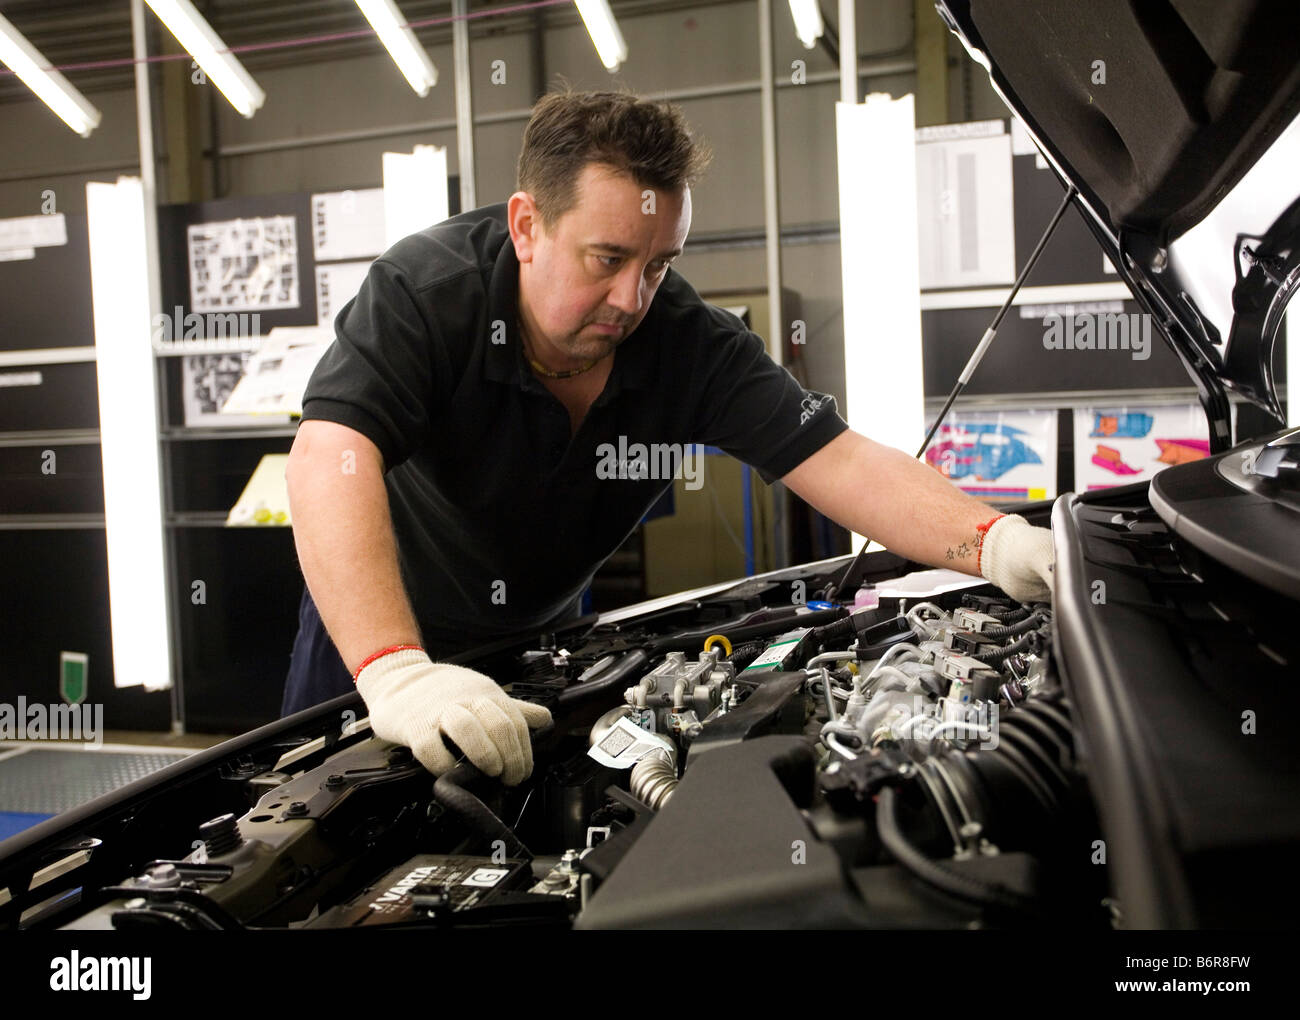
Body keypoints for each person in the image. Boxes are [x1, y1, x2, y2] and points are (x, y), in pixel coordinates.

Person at [282, 88, 1053, 786]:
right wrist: (397, 673)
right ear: (527, 226)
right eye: (608, 259)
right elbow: (328, 454)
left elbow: (842, 460)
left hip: (542, 640)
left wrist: (996, 543)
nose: (631, 298)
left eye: (658, 265)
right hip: (377, 641)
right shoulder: (426, 294)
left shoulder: (689, 344)